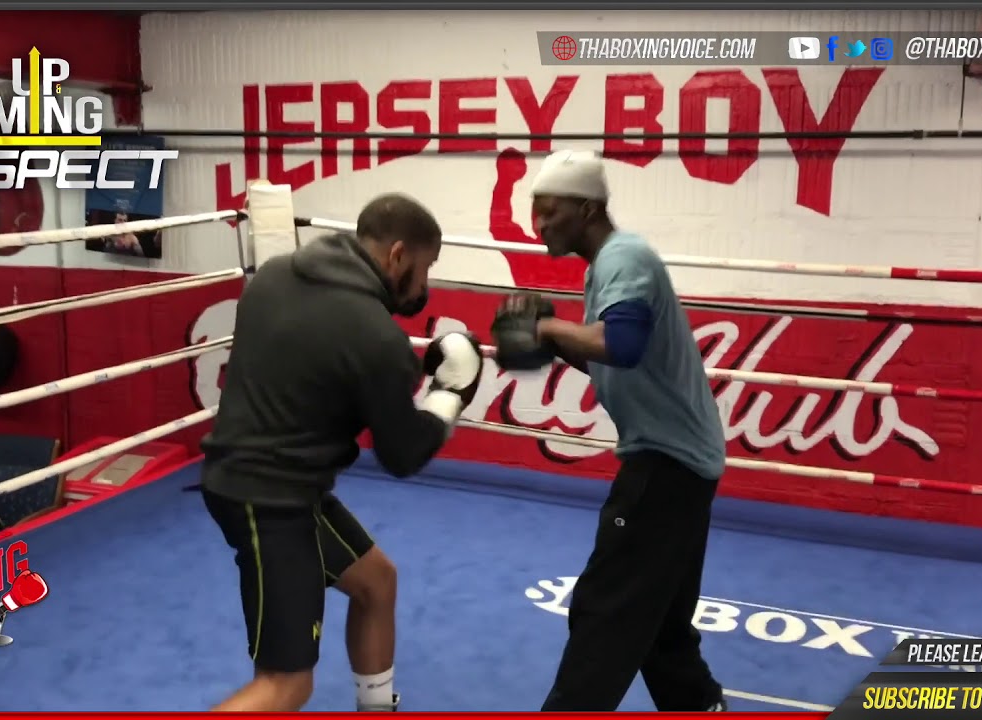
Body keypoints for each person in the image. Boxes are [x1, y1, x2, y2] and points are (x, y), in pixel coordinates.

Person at [199, 193, 484, 712]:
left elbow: (318, 369)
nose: (424, 287)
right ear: (398, 255)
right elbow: (403, 455)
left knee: (377, 582)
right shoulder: (376, 337)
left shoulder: (273, 277)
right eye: (425, 269)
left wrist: (411, 376)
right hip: (269, 501)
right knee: (287, 685)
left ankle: (377, 706)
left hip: (261, 478)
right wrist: (451, 395)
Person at [489, 150, 728, 712]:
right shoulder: (608, 267)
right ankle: (698, 704)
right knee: (661, 618)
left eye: (549, 212)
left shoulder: (626, 258)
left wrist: (545, 325)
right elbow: (613, 358)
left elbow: (621, 345)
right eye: (536, 212)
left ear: (588, 208)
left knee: (606, 606)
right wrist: (555, 341)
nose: (538, 224)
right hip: (686, 461)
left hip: (665, 463)